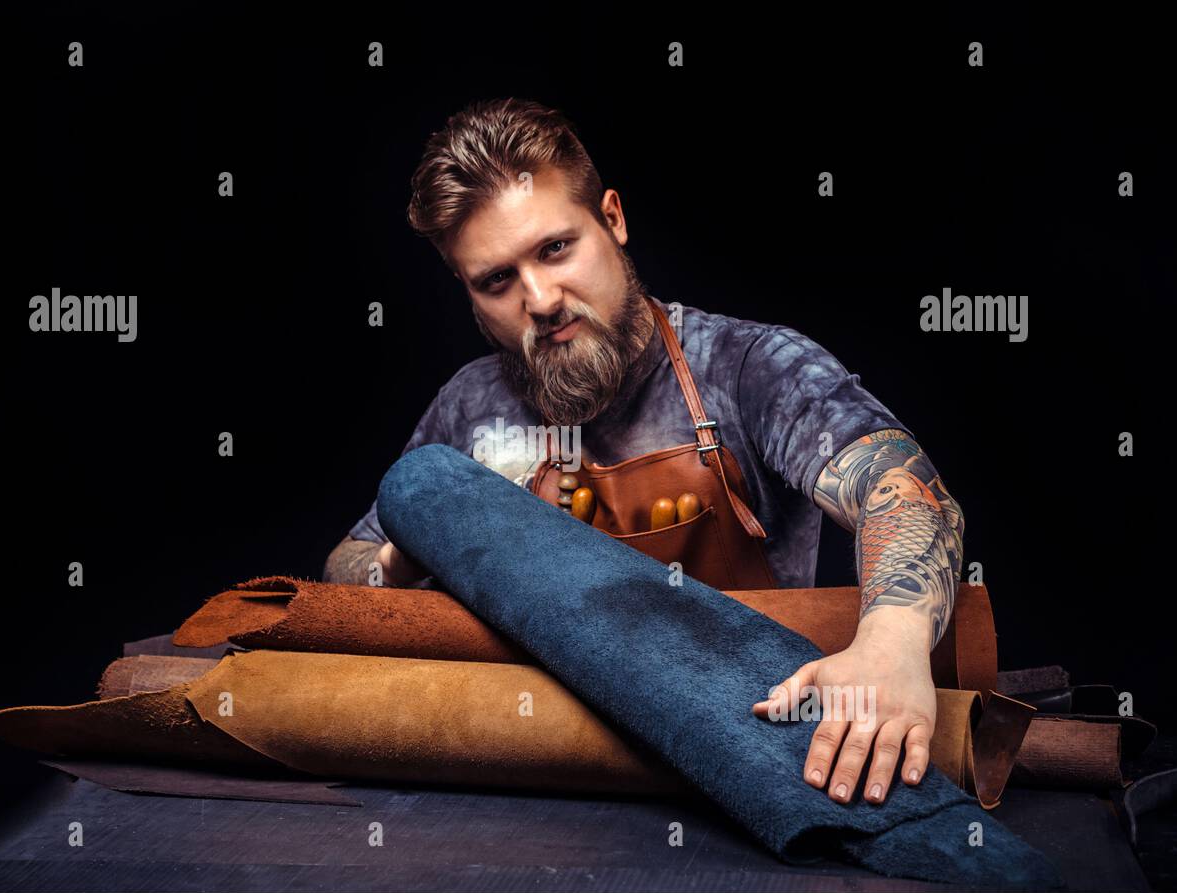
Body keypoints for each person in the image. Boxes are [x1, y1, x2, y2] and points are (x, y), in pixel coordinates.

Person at [323, 97, 965, 809]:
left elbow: (902, 493)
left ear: (613, 220)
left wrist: (893, 644)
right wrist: (399, 559)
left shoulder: (749, 367)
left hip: (755, 756)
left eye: (555, 248)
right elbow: (349, 566)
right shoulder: (471, 409)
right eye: (496, 281)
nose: (539, 299)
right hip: (549, 775)